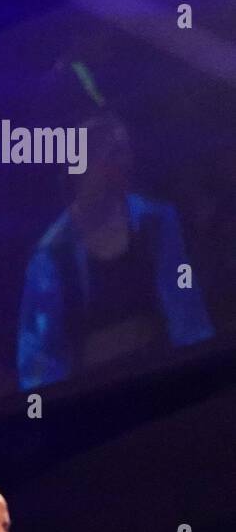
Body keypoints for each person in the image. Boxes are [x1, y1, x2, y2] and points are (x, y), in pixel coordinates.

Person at [18, 113, 214, 389]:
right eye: (110, 154)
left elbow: (185, 307)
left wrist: (202, 373)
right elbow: (40, 357)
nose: (124, 163)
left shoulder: (157, 221)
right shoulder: (50, 255)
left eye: (124, 152)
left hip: (163, 376)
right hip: (94, 396)